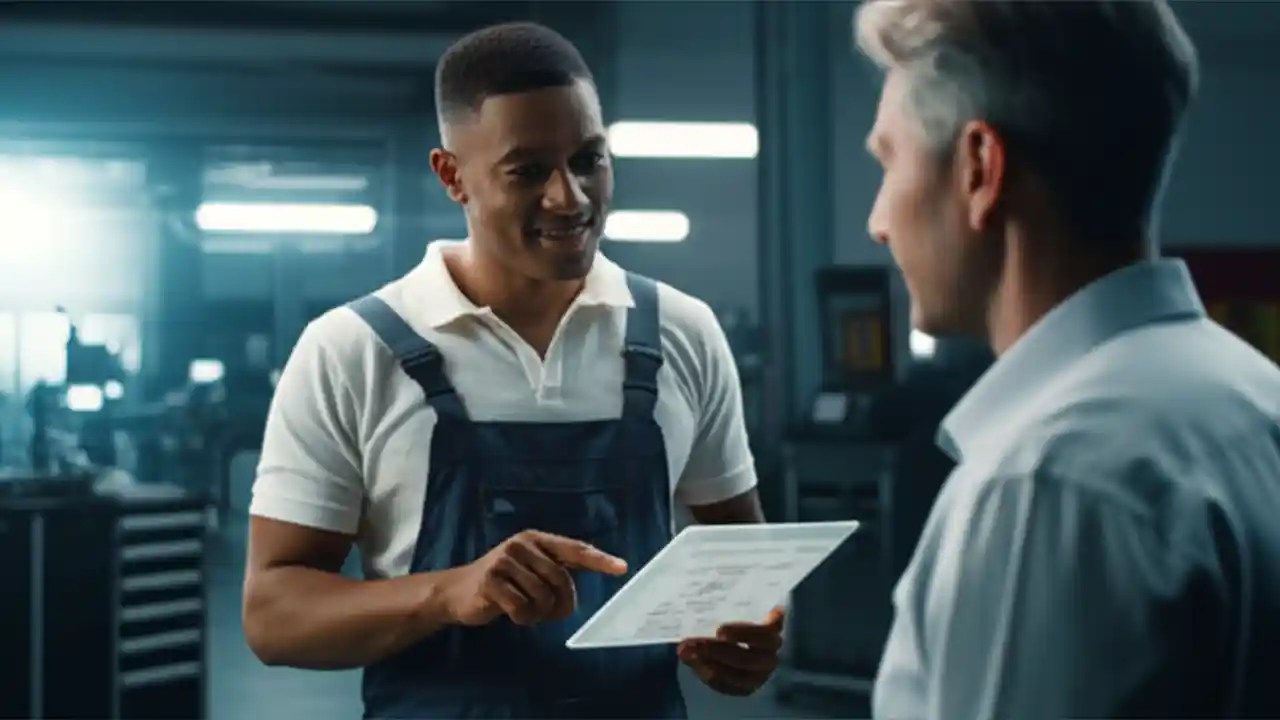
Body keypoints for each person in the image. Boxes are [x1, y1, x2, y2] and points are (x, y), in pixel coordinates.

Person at [242, 21, 783, 719]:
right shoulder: (352, 350)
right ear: (452, 176)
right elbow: (273, 613)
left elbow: (742, 563)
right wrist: (448, 591)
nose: (571, 198)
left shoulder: (682, 332)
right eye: (528, 171)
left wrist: (748, 641)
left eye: (589, 159)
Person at [854, 1, 1280, 718]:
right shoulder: (1254, 399)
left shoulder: (1049, 480)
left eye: (889, 161)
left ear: (980, 167)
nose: (878, 221)